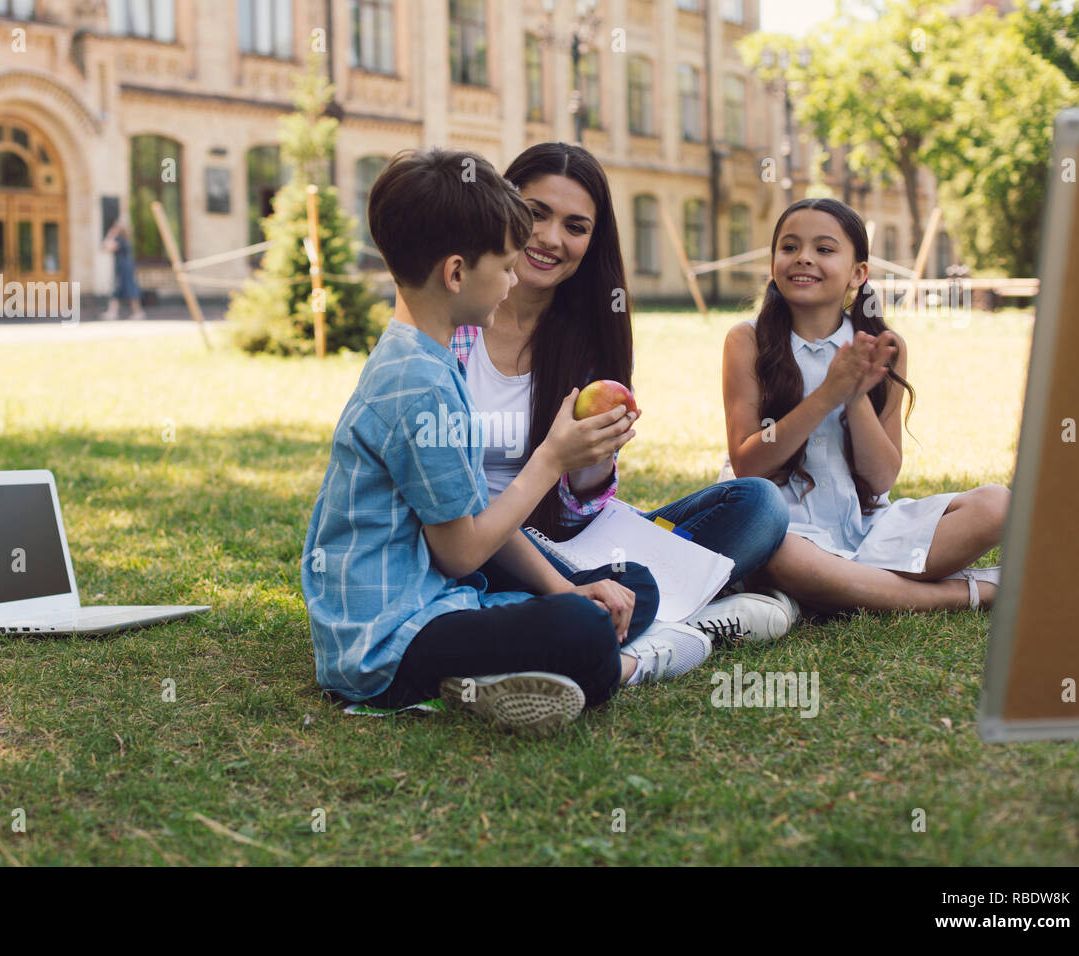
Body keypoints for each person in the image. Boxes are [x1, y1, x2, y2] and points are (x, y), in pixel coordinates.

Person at [301, 148, 716, 737]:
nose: (515, 277)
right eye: (504, 265)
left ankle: (501, 674)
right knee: (583, 631)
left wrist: (569, 586)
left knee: (614, 597)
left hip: (430, 605)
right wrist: (551, 459)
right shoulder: (422, 385)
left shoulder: (424, 358)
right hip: (384, 644)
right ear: (455, 274)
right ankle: (631, 664)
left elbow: (473, 517)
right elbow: (462, 553)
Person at [452, 142, 796, 649]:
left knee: (759, 504)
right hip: (475, 540)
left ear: (593, 240)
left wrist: (591, 464)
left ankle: (610, 608)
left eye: (575, 226)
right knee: (624, 584)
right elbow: (442, 500)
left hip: (566, 541)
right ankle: (679, 619)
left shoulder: (591, 337)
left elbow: (576, 515)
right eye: (535, 214)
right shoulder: (452, 320)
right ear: (503, 210)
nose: (550, 238)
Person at [722, 197, 1008, 613]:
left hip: (867, 525)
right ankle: (965, 592)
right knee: (779, 554)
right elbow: (748, 465)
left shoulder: (883, 347)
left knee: (997, 504)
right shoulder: (746, 340)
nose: (803, 258)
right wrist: (827, 396)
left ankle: (844, 586)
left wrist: (855, 399)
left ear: (858, 273)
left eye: (823, 249)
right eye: (789, 247)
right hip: (783, 529)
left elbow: (881, 479)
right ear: (772, 264)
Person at [101, 216, 144, 321]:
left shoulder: (120, 240)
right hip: (126, 267)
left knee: (121, 288)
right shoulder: (126, 240)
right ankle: (134, 312)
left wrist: (110, 235)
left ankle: (115, 313)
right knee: (125, 288)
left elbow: (106, 247)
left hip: (123, 268)